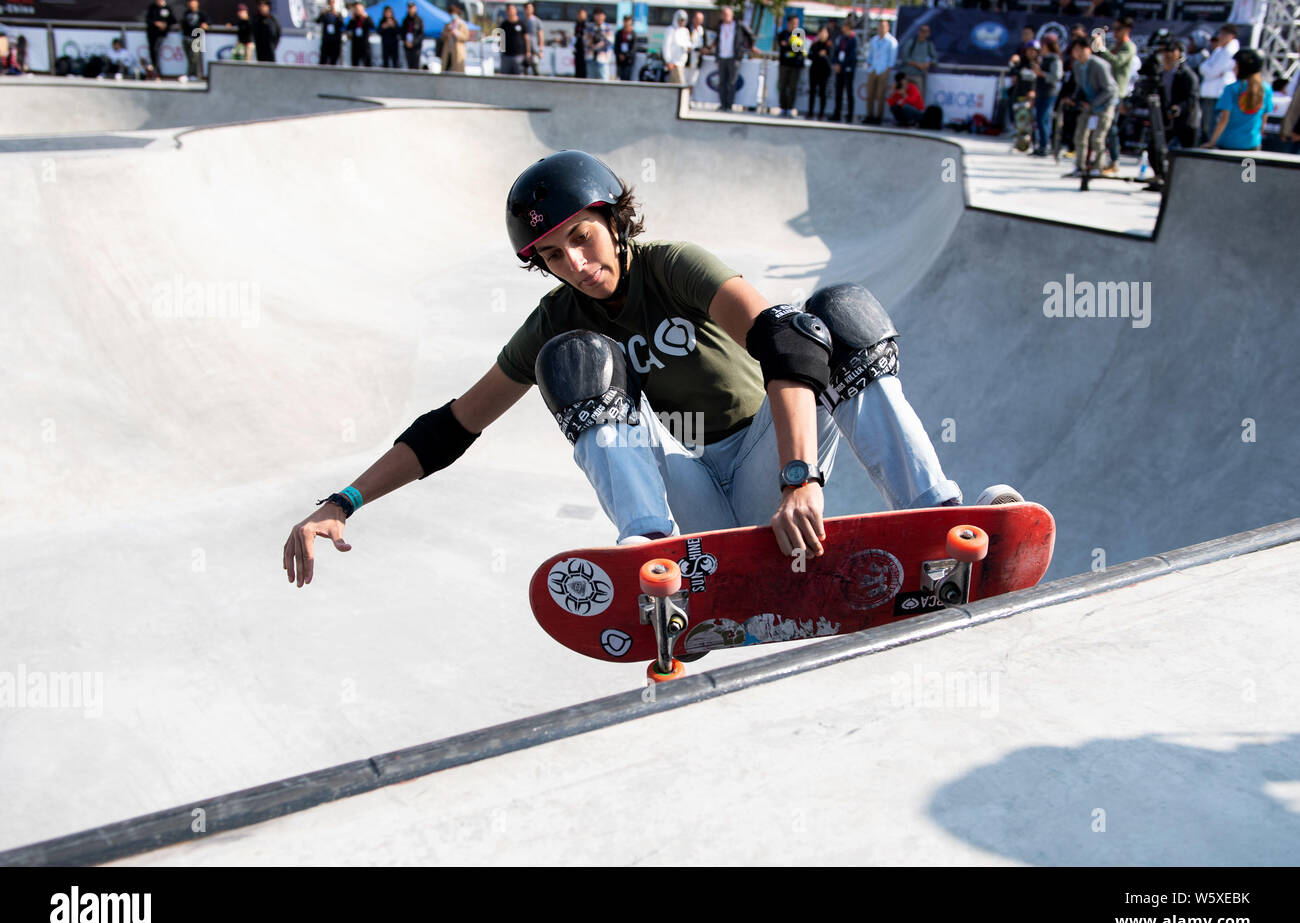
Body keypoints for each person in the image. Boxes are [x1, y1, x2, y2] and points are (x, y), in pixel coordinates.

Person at [283, 150, 1019, 589]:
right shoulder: (558, 318)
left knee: (838, 315)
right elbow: (451, 427)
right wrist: (341, 501)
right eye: (553, 256)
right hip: (690, 487)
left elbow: (786, 346)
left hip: (768, 458)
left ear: (612, 219)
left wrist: (801, 479)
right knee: (571, 362)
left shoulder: (672, 266)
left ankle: (941, 515)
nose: (577, 264)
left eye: (583, 239)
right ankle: (648, 554)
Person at [1205, 48, 1273, 150]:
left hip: (1228, 143)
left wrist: (1212, 142)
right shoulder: (1266, 89)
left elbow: (1224, 119)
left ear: (1242, 68)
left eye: (1236, 65)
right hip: (1252, 143)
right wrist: (1258, 140)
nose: (1233, 69)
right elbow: (1264, 120)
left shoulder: (1231, 89)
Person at [1068, 35, 1117, 175]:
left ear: (1089, 49)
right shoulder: (1077, 65)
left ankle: (1099, 166)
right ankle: (1080, 165)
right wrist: (1076, 99)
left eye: (1081, 49)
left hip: (1105, 104)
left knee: (1098, 138)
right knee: (1080, 135)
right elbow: (1080, 87)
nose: (1078, 52)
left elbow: (1110, 89)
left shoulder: (1099, 65)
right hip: (1088, 104)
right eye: (1075, 49)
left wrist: (1094, 104)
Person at [1094, 18, 1136, 175]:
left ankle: (1114, 161)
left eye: (1118, 28)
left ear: (1127, 29)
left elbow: (1116, 62)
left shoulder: (1128, 47)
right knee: (1101, 128)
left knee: (1111, 128)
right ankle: (1100, 160)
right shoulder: (1115, 46)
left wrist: (1103, 49)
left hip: (1116, 93)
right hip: (1104, 91)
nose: (1115, 31)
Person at [707, 6, 756, 113]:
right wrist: (711, 48)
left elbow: (750, 35)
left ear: (732, 15)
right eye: (723, 15)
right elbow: (717, 39)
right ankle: (722, 104)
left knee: (731, 82)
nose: (725, 17)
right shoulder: (720, 26)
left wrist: (749, 47)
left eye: (727, 15)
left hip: (734, 57)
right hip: (721, 56)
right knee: (722, 82)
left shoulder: (739, 25)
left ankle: (729, 105)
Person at [1156, 39, 1201, 149]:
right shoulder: (1159, 74)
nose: (1167, 54)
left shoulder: (1187, 75)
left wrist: (1178, 108)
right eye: (1164, 51)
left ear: (1179, 53)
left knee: (1189, 154)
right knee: (1155, 150)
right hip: (1167, 121)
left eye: (1171, 51)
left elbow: (1192, 98)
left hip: (1186, 121)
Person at [1199, 25, 1239, 143]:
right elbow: (1207, 69)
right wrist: (1206, 68)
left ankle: (1213, 146)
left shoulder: (1229, 52)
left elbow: (1212, 72)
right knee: (1206, 125)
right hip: (1210, 92)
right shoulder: (1219, 50)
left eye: (1222, 34)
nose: (1219, 37)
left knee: (1214, 125)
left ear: (1231, 36)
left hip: (1219, 93)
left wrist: (1206, 68)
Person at [1030, 33, 1063, 155]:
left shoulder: (1055, 59)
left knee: (1043, 119)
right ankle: (1040, 145)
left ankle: (1045, 146)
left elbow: (1057, 76)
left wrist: (1042, 74)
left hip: (1049, 93)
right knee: (1039, 119)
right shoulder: (1044, 58)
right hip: (1041, 92)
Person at [863, 18, 897, 124]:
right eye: (879, 26)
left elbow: (892, 59)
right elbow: (870, 55)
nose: (881, 28)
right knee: (870, 94)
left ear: (888, 27)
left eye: (883, 26)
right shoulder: (874, 40)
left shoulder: (892, 42)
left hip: (883, 70)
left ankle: (878, 117)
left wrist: (887, 69)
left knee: (880, 94)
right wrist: (869, 65)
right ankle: (870, 115)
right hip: (873, 69)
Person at [774, 14, 806, 118]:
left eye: (796, 23)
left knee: (792, 87)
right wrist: (789, 46)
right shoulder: (782, 34)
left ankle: (790, 109)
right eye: (793, 23)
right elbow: (782, 46)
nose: (795, 25)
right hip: (784, 64)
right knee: (782, 86)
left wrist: (788, 45)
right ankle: (783, 108)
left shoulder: (799, 34)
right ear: (788, 23)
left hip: (795, 65)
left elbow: (797, 49)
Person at [897, 23, 936, 100]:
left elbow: (935, 59)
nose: (923, 33)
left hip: (919, 75)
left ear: (928, 33)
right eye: (922, 30)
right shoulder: (911, 42)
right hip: (906, 74)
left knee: (918, 97)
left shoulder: (929, 45)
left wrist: (928, 63)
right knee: (901, 96)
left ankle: (916, 111)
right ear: (918, 31)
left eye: (926, 31)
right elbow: (904, 57)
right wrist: (917, 64)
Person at [829, 19, 858, 123]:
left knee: (849, 92)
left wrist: (842, 65)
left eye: (844, 26)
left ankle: (850, 115)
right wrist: (836, 63)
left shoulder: (854, 39)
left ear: (848, 27)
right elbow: (836, 52)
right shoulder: (841, 38)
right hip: (839, 69)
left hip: (848, 69)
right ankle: (837, 113)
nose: (842, 28)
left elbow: (852, 56)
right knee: (838, 92)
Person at [144, 0, 176, 79]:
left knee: (156, 48)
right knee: (153, 51)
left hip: (161, 34)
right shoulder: (152, 7)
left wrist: (165, 24)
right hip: (152, 33)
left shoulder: (167, 8)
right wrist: (156, 23)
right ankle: (155, 70)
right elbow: (148, 19)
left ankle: (158, 71)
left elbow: (173, 20)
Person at [179, 0, 209, 81]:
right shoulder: (186, 13)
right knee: (189, 57)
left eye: (193, 2)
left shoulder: (201, 14)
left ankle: (194, 75)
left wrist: (205, 25)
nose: (192, 5)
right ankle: (190, 74)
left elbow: (207, 23)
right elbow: (182, 23)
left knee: (194, 58)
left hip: (196, 38)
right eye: (190, 3)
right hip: (186, 37)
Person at [807, 26, 831, 120]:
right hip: (814, 70)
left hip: (824, 72)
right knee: (812, 92)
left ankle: (821, 113)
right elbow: (809, 55)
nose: (822, 35)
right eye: (821, 32)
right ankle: (810, 112)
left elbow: (831, 57)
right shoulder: (814, 44)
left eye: (824, 33)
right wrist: (818, 55)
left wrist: (824, 55)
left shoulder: (829, 45)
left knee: (822, 93)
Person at [440, 3, 470, 73]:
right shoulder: (447, 25)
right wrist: (448, 33)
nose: (452, 15)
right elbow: (442, 37)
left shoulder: (462, 24)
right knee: (446, 69)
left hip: (458, 52)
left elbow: (466, 37)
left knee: (457, 71)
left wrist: (457, 33)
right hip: (448, 51)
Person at [663, 11, 690, 85]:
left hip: (683, 63)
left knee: (674, 86)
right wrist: (668, 61)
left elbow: (687, 44)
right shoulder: (671, 30)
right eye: (680, 20)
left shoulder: (685, 31)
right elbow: (666, 46)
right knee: (681, 84)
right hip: (674, 63)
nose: (682, 22)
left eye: (683, 20)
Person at [499, 4, 527, 75]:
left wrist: (527, 52)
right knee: (504, 76)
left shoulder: (521, 24)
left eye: (512, 10)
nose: (510, 12)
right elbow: (501, 39)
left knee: (519, 76)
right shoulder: (504, 25)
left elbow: (526, 38)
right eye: (508, 10)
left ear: (515, 11)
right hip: (506, 56)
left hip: (519, 55)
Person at [588, 8, 614, 81]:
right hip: (591, 58)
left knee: (604, 80)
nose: (599, 17)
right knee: (590, 80)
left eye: (600, 15)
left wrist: (597, 45)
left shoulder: (608, 28)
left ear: (604, 16)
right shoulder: (589, 28)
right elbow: (586, 40)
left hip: (603, 58)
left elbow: (609, 41)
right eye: (597, 15)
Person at [318, 1, 345, 65]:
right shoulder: (325, 13)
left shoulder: (338, 14)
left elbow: (342, 24)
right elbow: (318, 21)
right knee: (323, 60)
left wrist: (336, 14)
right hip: (326, 40)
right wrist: (322, 13)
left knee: (334, 60)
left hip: (335, 41)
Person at [347, 2, 374, 67]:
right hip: (355, 44)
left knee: (366, 63)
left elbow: (372, 26)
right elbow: (348, 27)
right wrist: (352, 18)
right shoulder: (354, 19)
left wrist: (365, 16)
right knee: (355, 63)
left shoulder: (367, 18)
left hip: (364, 44)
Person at [400, 2, 424, 70]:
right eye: (409, 8)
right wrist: (406, 42)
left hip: (416, 47)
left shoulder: (419, 20)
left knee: (415, 64)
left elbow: (421, 34)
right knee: (408, 64)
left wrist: (413, 43)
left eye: (412, 8)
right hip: (407, 46)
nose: (410, 10)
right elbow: (402, 33)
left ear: (415, 8)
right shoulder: (405, 20)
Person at [614, 15, 637, 82]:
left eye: (628, 21)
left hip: (629, 60)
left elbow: (633, 48)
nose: (626, 23)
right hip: (620, 60)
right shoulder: (619, 33)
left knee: (628, 77)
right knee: (620, 77)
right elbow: (616, 45)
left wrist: (626, 55)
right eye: (625, 21)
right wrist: (619, 54)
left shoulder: (633, 34)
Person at [524, 2, 543, 75]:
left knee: (535, 68)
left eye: (531, 8)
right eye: (528, 8)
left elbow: (541, 35)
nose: (529, 10)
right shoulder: (523, 21)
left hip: (535, 49)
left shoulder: (537, 21)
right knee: (525, 68)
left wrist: (541, 50)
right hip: (524, 49)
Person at [572, 8, 588, 78]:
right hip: (577, 49)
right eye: (579, 14)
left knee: (584, 68)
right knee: (577, 67)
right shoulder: (576, 24)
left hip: (584, 50)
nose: (580, 16)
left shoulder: (587, 25)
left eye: (582, 14)